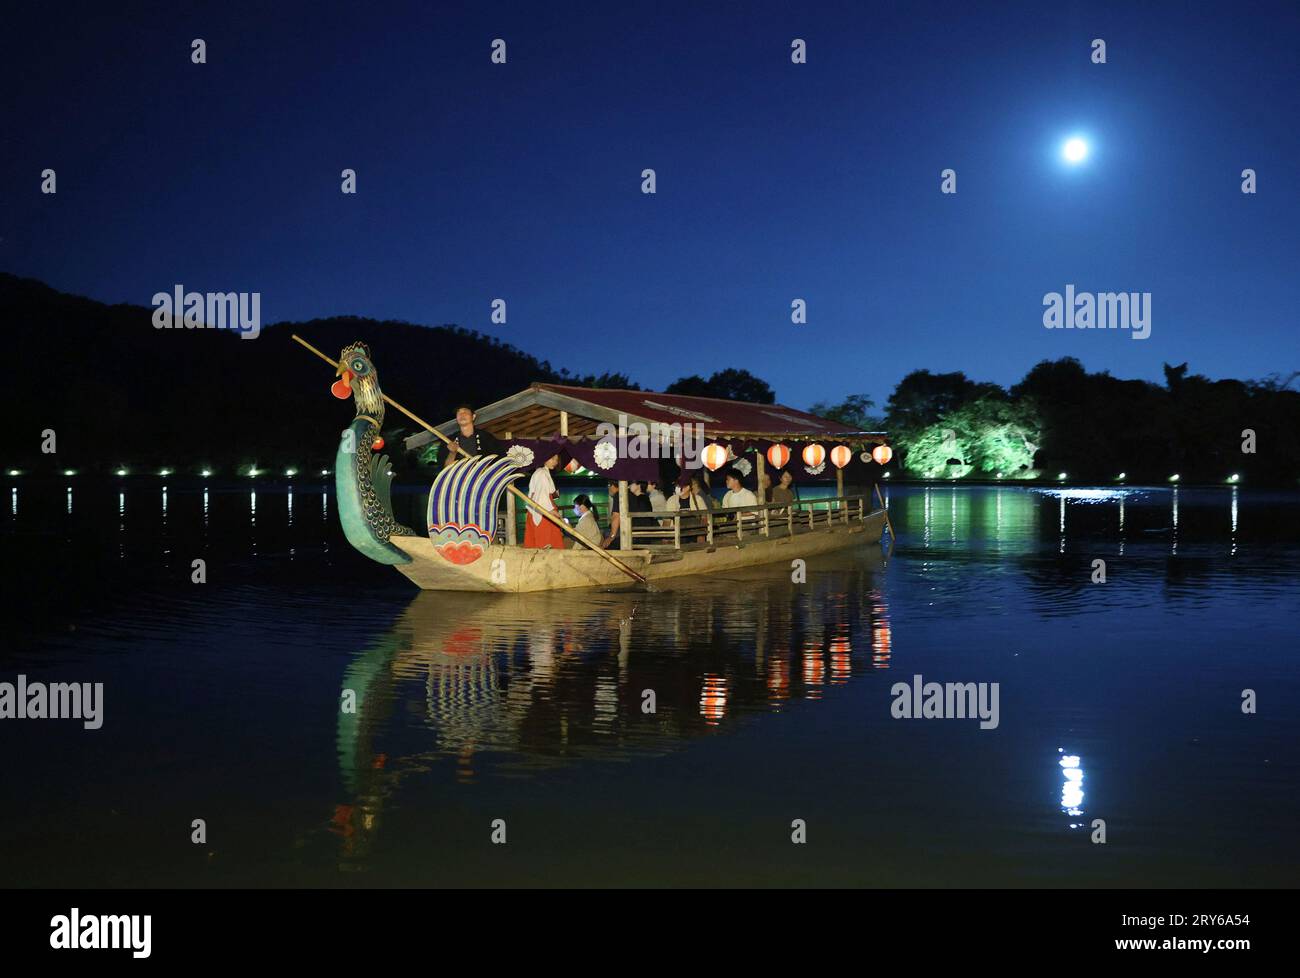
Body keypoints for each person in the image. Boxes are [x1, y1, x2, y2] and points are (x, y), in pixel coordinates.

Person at [523, 453, 566, 549]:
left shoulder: (542, 472)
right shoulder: (542, 473)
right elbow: (542, 495)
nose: (555, 462)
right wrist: (551, 511)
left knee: (540, 543)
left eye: (556, 459)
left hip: (539, 509)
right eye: (552, 458)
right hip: (544, 512)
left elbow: (547, 494)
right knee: (546, 542)